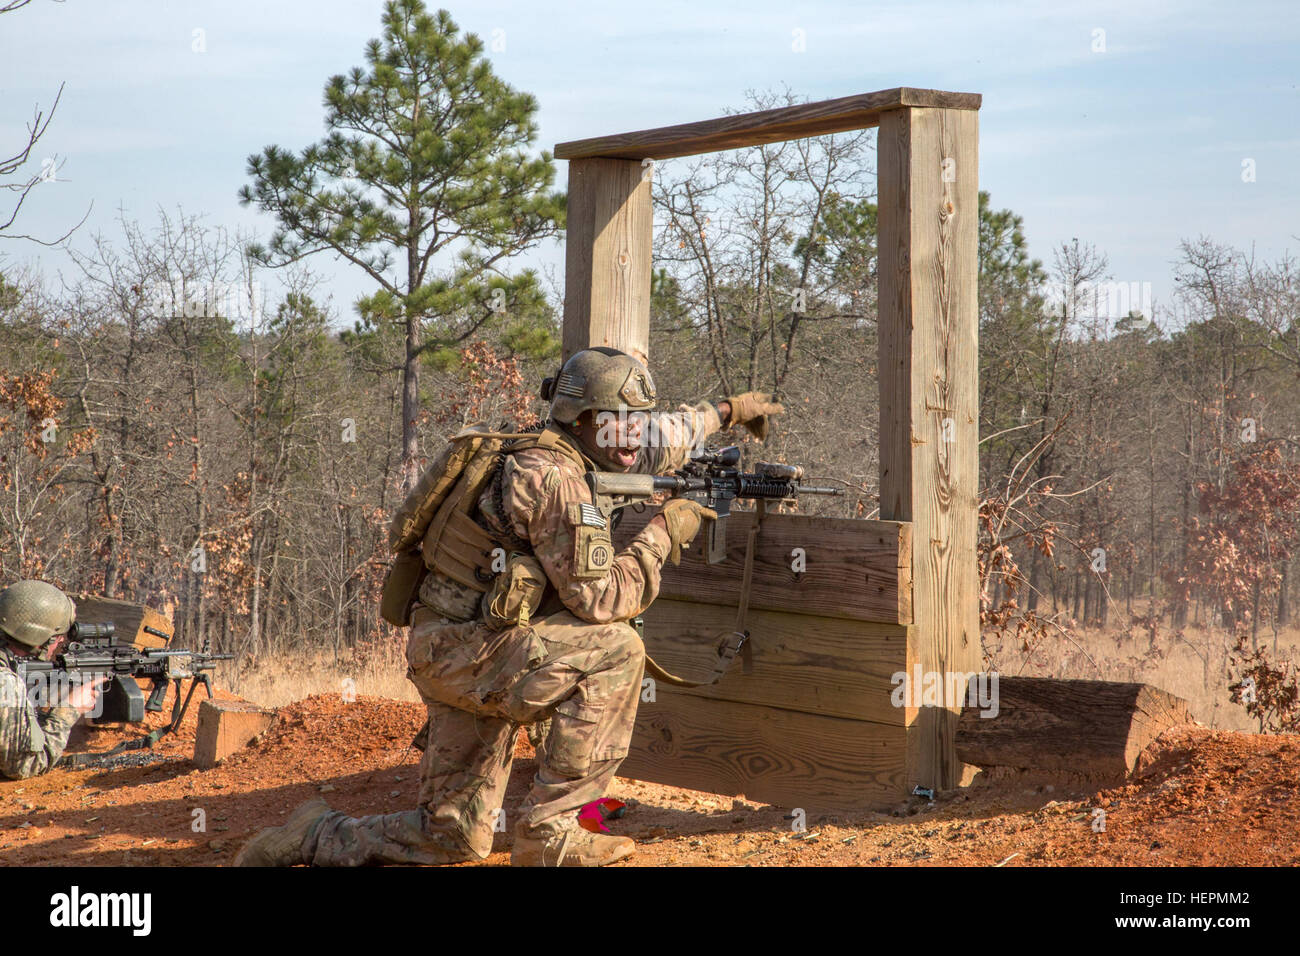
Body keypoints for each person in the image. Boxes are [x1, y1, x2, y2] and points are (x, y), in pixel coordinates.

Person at [235, 347, 783, 867]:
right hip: (473, 654)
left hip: (455, 645)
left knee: (451, 836)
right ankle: (554, 833)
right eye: (622, 420)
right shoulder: (551, 479)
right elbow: (603, 599)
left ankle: (312, 834)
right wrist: (665, 531)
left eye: (638, 421)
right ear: (584, 418)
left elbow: (667, 433)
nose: (634, 434)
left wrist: (730, 411)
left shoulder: (580, 443)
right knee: (617, 650)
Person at [0, 580, 105, 779]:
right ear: (40, 638)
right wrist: (68, 711)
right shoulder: (5, 684)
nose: (61, 641)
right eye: (58, 636)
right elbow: (24, 766)